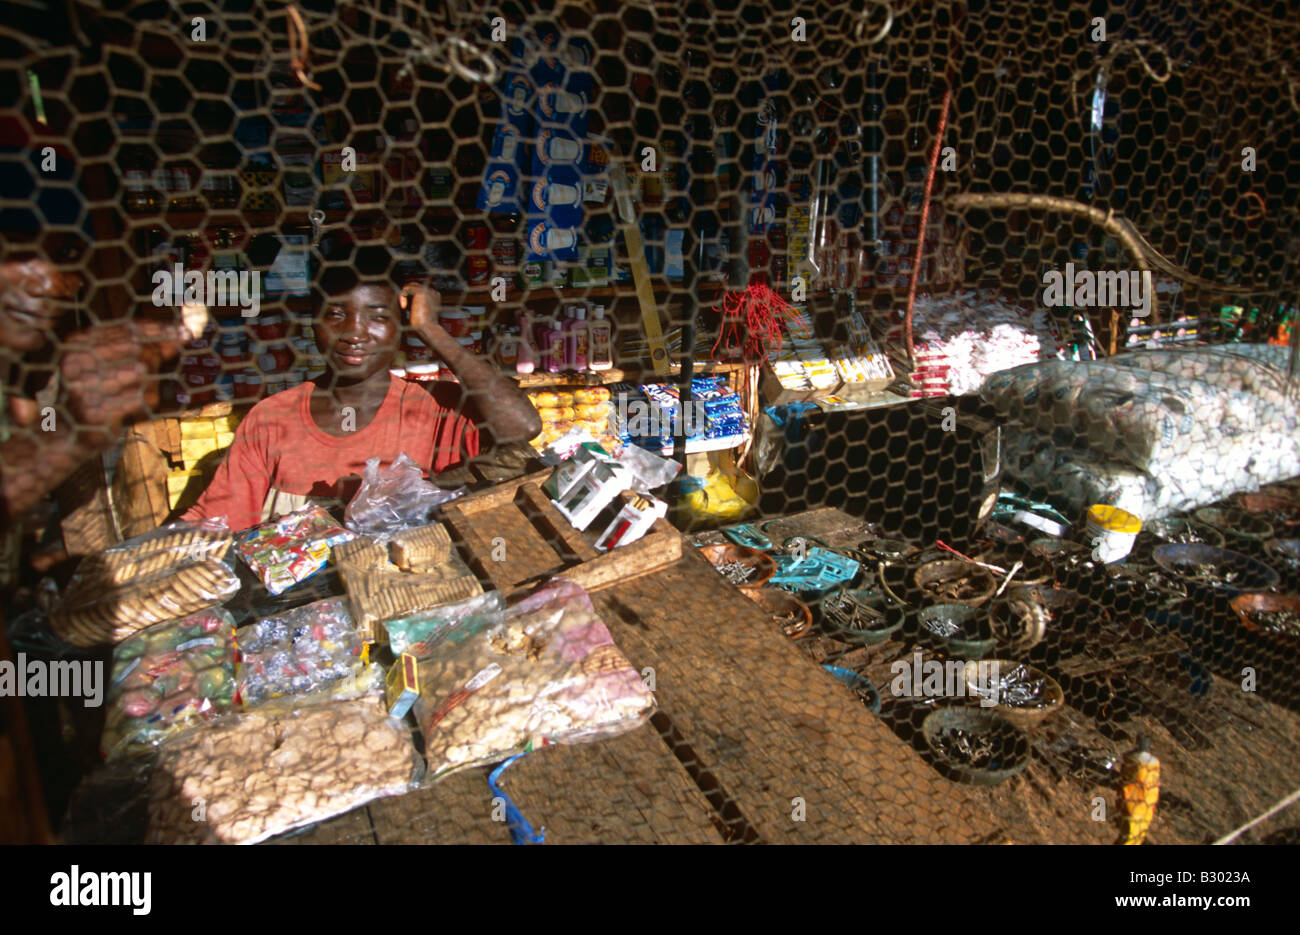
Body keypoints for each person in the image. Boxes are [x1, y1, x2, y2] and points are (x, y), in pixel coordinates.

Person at [182, 268, 541, 531]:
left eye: (378, 317)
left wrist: (433, 330)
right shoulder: (272, 418)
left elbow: (524, 427)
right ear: (313, 326)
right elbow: (216, 524)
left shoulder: (436, 408)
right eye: (337, 315)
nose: (354, 332)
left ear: (401, 329)